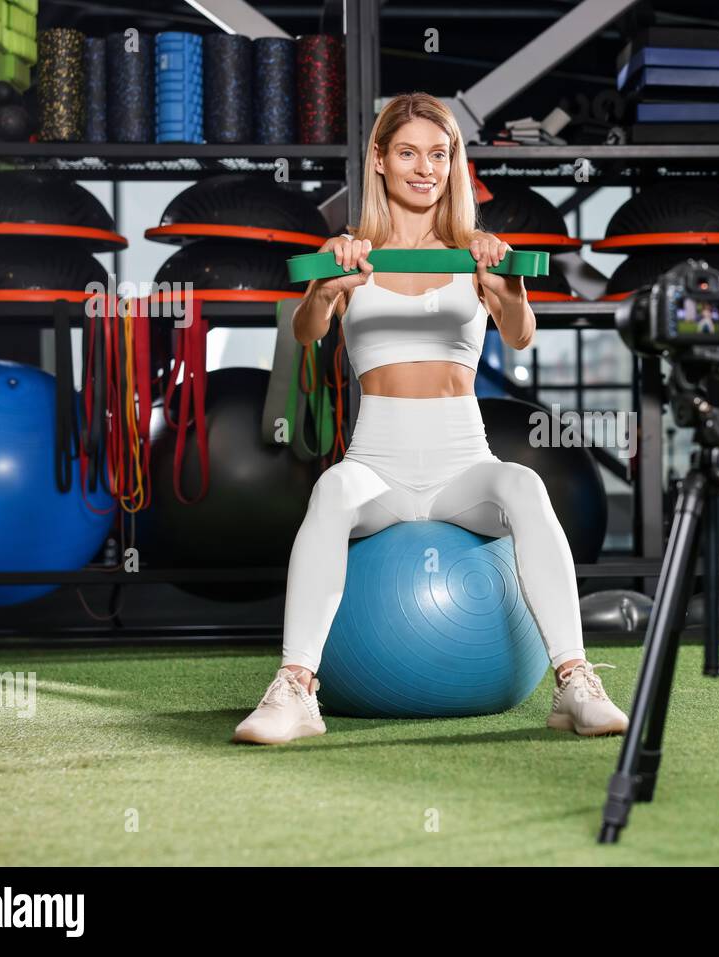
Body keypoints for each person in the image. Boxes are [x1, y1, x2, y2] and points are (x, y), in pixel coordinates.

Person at [233, 92, 629, 745]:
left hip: (460, 461)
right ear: (379, 159)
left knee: (524, 484)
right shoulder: (352, 253)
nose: (425, 169)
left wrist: (510, 288)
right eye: (409, 153)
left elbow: (521, 334)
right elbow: (306, 332)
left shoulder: (475, 252)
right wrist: (324, 289)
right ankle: (295, 690)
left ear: (454, 164)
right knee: (331, 490)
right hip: (378, 462)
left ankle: (574, 682)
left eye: (439, 155)